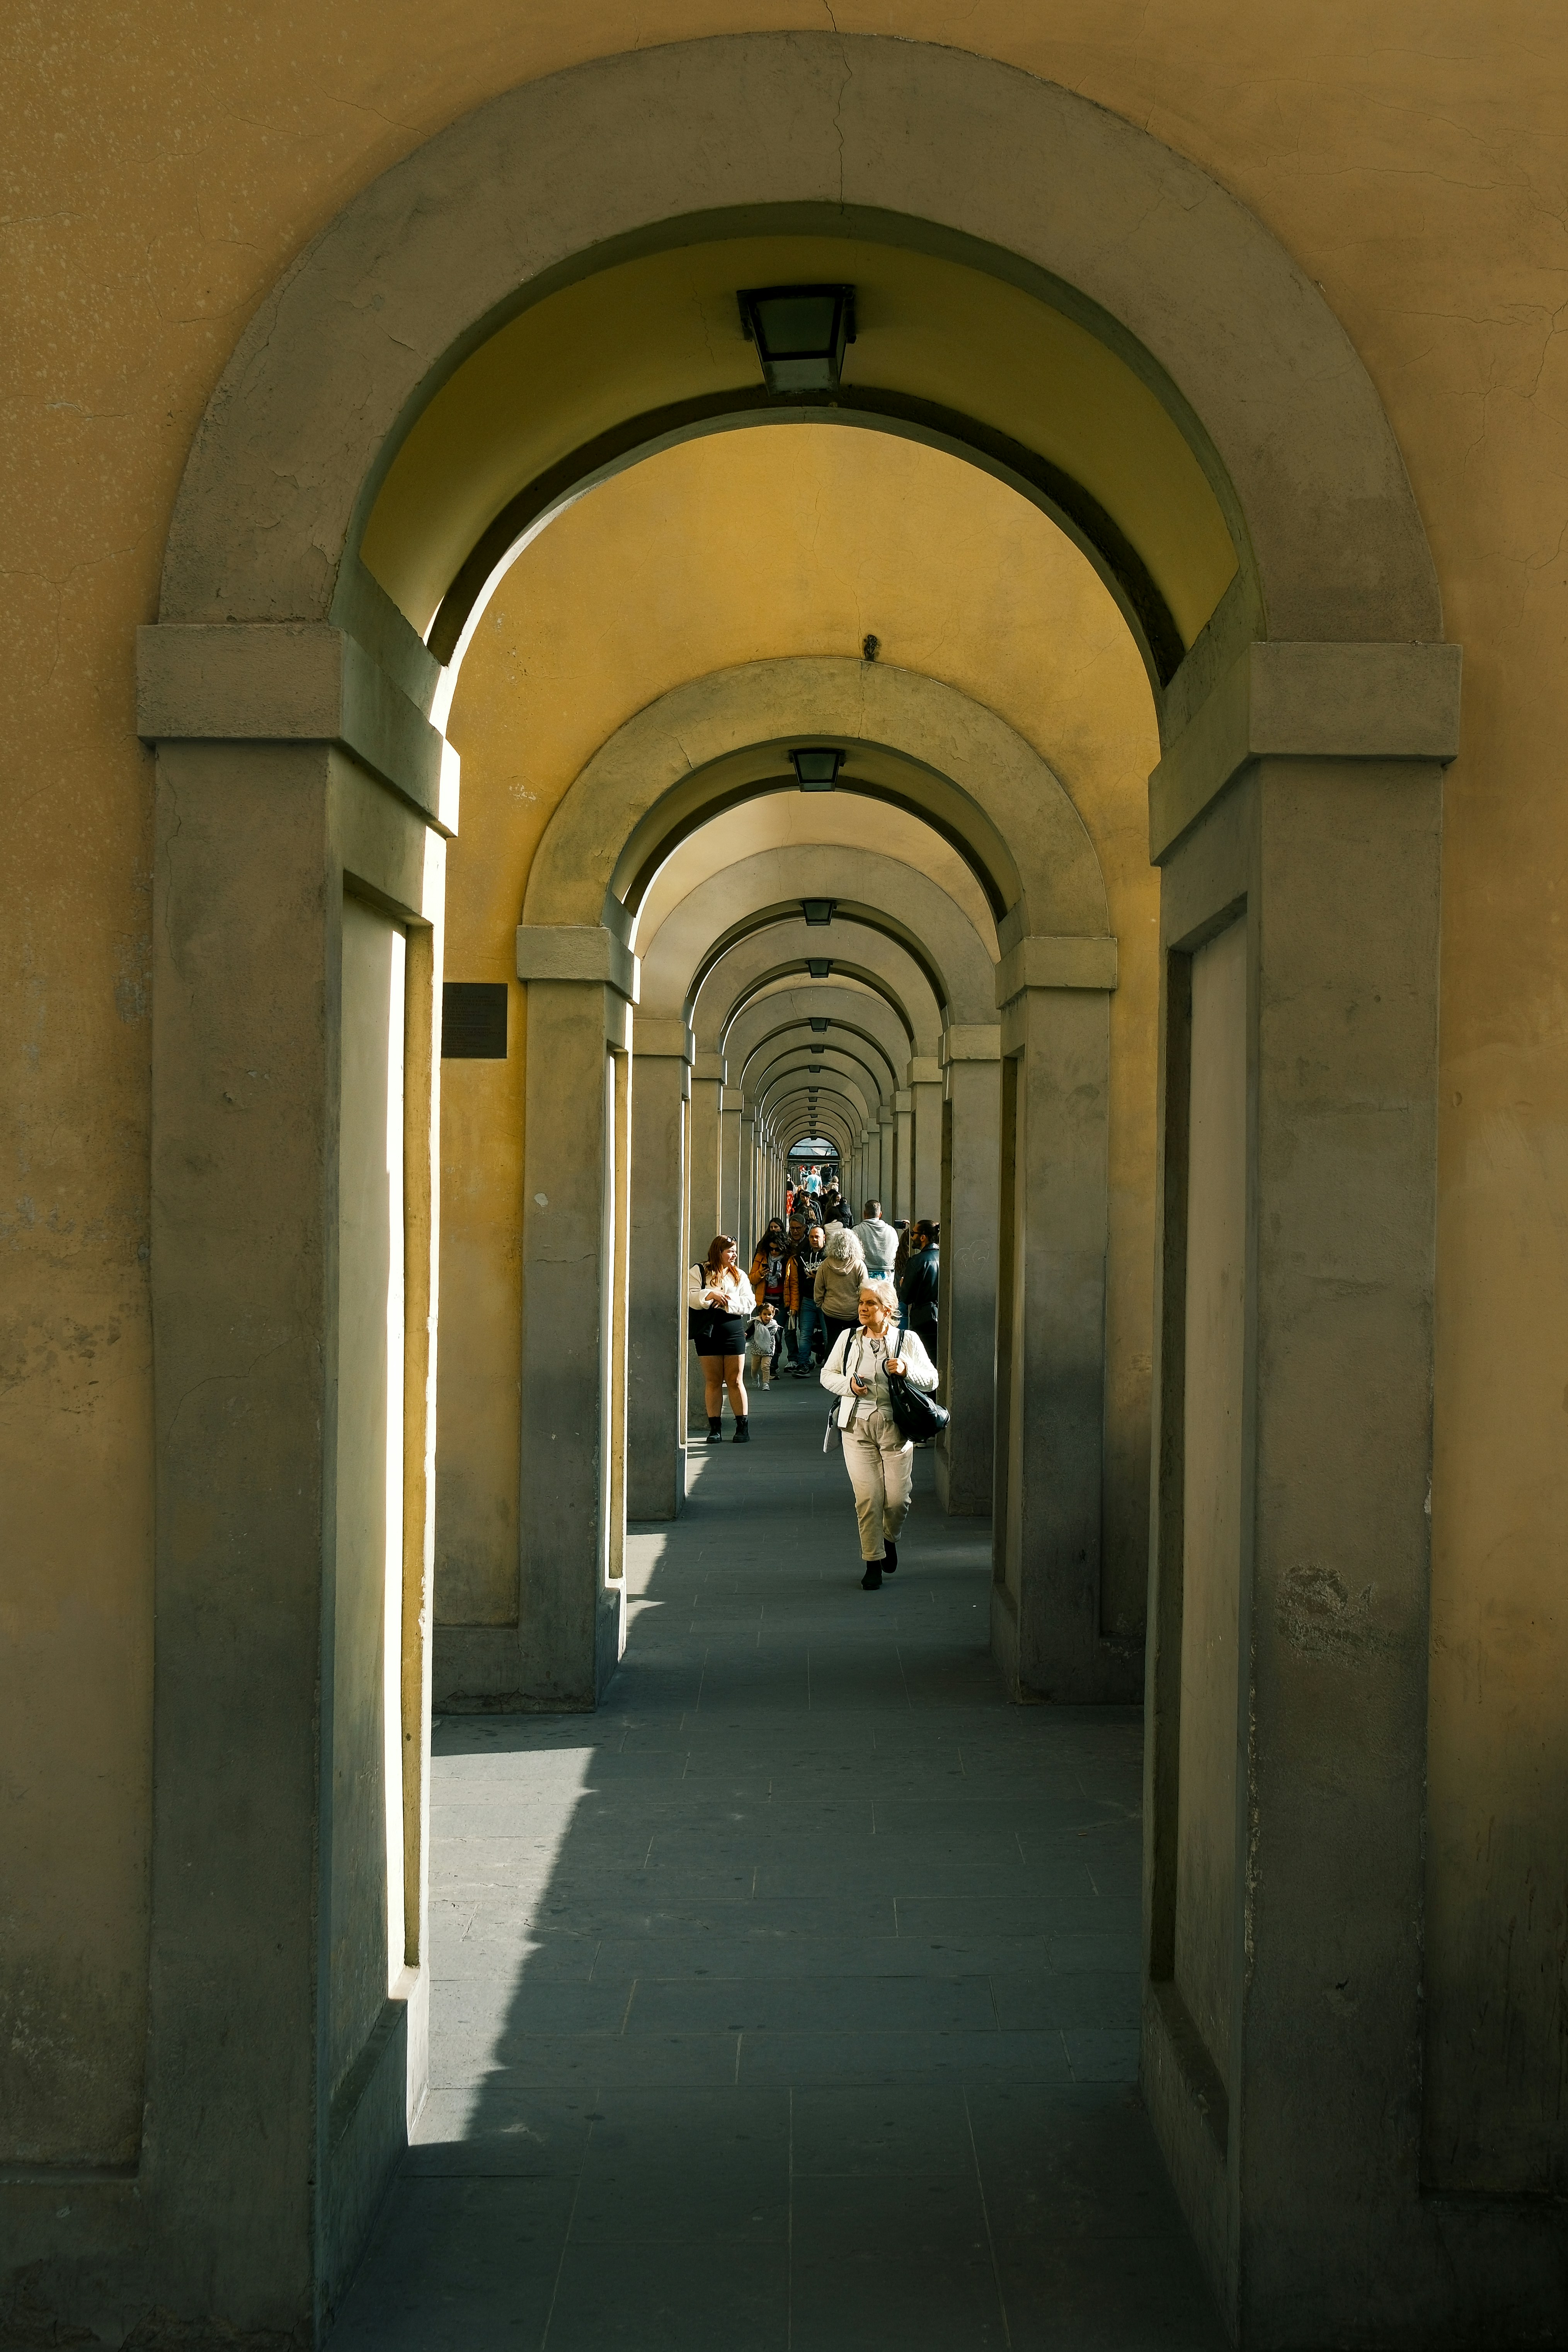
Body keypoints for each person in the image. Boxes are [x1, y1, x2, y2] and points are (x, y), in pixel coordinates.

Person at [821, 1276, 938, 1588]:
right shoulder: (848, 1338)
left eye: (870, 1303)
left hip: (896, 1429)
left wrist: (905, 1369)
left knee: (898, 1500)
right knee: (868, 1498)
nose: (862, 1308)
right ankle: (872, 1560)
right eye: (861, 1302)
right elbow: (826, 1375)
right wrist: (848, 1385)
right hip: (855, 1426)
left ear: (887, 1309)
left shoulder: (908, 1340)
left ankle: (890, 1538)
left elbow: (932, 1380)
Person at [686, 1233, 755, 1443]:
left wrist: (727, 1302)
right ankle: (715, 1428)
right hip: (708, 1331)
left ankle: (742, 1427)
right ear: (719, 1252)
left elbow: (750, 1303)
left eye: (735, 1251)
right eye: (730, 1251)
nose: (734, 1255)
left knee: (735, 1380)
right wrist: (710, 1295)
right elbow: (690, 1296)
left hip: (733, 1329)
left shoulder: (740, 1275)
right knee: (713, 1381)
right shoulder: (699, 1271)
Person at [813, 1221, 867, 1361]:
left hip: (831, 1311)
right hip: (853, 1312)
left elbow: (818, 1288)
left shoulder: (825, 1265)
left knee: (832, 1342)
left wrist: (822, 1305)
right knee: (854, 1344)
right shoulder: (859, 1265)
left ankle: (830, 1372)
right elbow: (865, 1290)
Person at [785, 1220, 827, 1375]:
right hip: (808, 1299)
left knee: (828, 1335)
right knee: (805, 1334)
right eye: (811, 1237)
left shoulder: (828, 1256)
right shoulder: (804, 1255)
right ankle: (803, 1364)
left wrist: (819, 1278)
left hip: (825, 1300)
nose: (814, 1240)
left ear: (824, 1238)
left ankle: (829, 1367)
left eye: (817, 1237)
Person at [900, 1220, 940, 1373]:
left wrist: (904, 1284)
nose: (911, 1238)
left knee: (924, 1364)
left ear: (923, 1238)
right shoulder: (945, 1258)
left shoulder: (917, 1262)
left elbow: (906, 1297)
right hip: (943, 1319)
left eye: (913, 1234)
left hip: (923, 1320)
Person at [748, 1216, 790, 1332]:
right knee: (764, 1331)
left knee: (777, 1332)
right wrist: (761, 1273)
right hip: (765, 1298)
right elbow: (752, 1278)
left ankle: (776, 1350)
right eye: (772, 1249)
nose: (774, 1252)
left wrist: (794, 1306)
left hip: (781, 1300)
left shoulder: (788, 1259)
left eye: (777, 1249)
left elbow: (793, 1283)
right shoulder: (762, 1255)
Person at [852, 1197, 899, 1275]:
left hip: (865, 1271)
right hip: (888, 1272)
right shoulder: (892, 1231)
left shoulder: (857, 1230)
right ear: (880, 1214)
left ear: (864, 1214)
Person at [746, 1302, 779, 1389]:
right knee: (754, 1369)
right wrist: (745, 1335)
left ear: (773, 1315)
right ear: (760, 1314)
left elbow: (777, 1337)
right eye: (765, 1314)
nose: (767, 1317)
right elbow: (750, 1331)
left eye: (769, 1315)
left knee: (766, 1366)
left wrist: (779, 1349)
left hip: (768, 1350)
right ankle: (755, 1378)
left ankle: (766, 1384)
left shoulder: (774, 1326)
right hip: (756, 1350)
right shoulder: (756, 1323)